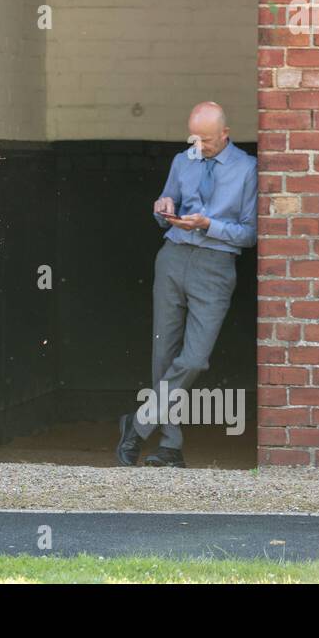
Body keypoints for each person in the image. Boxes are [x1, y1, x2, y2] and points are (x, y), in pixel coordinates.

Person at [117, 102, 257, 468]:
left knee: (194, 357)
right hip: (173, 257)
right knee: (162, 356)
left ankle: (138, 424)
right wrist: (162, 209)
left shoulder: (247, 169)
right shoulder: (183, 161)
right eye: (194, 137)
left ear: (225, 135)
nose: (200, 145)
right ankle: (170, 446)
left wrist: (209, 225)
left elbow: (251, 233)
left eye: (207, 140)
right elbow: (167, 208)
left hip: (215, 264)